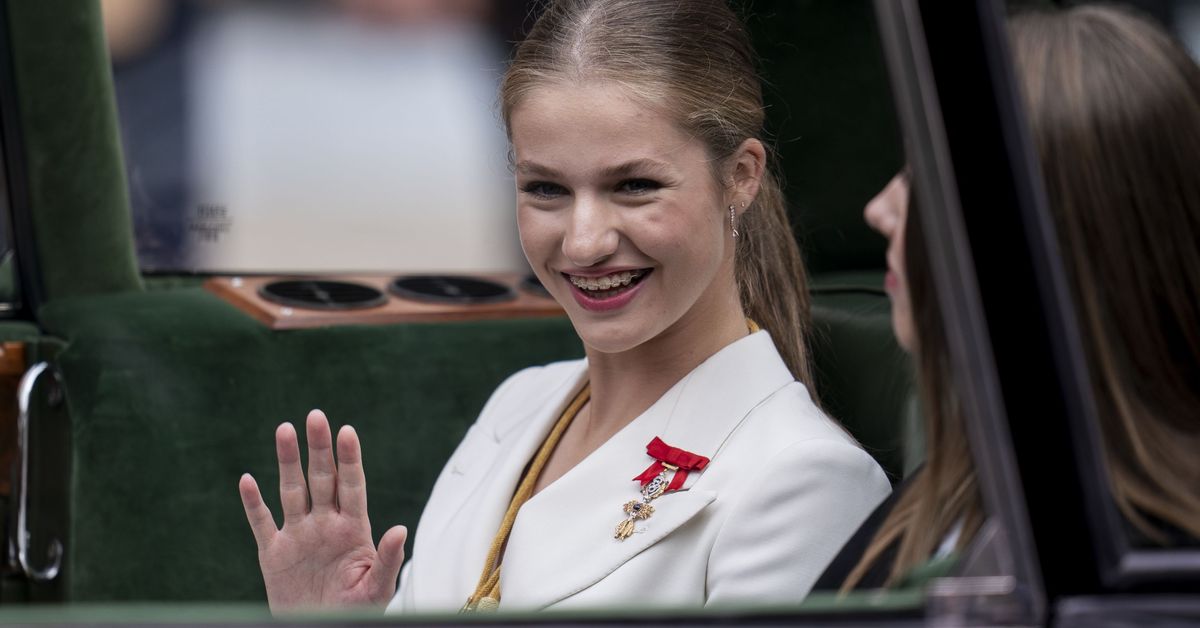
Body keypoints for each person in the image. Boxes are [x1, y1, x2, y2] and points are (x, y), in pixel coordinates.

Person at [237, 0, 891, 614]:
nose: (583, 241)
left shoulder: (805, 479)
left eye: (634, 186)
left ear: (741, 177)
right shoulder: (518, 404)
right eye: (546, 189)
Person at [816, 3, 1200, 592]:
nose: (879, 209)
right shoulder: (944, 505)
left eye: (930, 176)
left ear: (1046, 232)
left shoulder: (1146, 580)